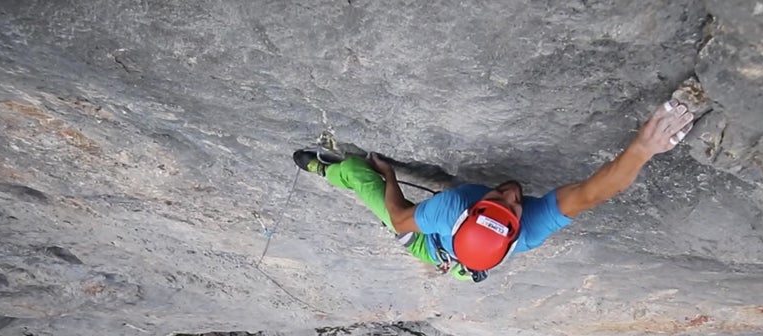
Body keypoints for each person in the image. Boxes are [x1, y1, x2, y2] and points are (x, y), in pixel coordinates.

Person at [292, 100, 694, 282]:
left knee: (361, 177)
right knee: (364, 177)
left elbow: (399, 219)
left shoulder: (449, 210)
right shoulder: (526, 229)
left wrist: (389, 177)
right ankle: (332, 169)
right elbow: (594, 191)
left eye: (507, 202)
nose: (512, 194)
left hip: (428, 248)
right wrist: (644, 148)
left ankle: (329, 169)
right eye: (507, 202)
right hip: (459, 260)